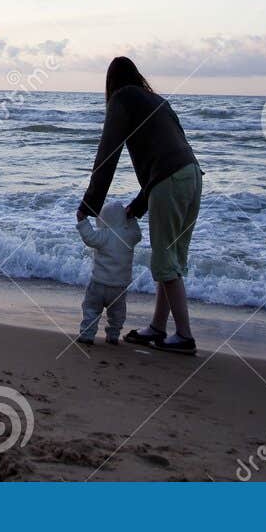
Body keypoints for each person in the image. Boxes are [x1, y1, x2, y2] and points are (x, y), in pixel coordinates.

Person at [77, 56, 203, 355]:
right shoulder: (155, 100)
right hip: (193, 176)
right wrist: (140, 204)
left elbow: (108, 152)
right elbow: (170, 149)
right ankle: (158, 328)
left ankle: (184, 336)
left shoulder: (122, 98)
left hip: (168, 181)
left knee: (164, 261)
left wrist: (90, 203)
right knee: (172, 259)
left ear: (112, 83)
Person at [75, 202, 141, 345]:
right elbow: (138, 234)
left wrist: (82, 221)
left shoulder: (103, 235)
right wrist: (131, 218)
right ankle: (113, 335)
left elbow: (89, 237)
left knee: (91, 309)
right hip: (119, 287)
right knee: (117, 314)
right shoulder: (129, 235)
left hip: (98, 283)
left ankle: (87, 334)